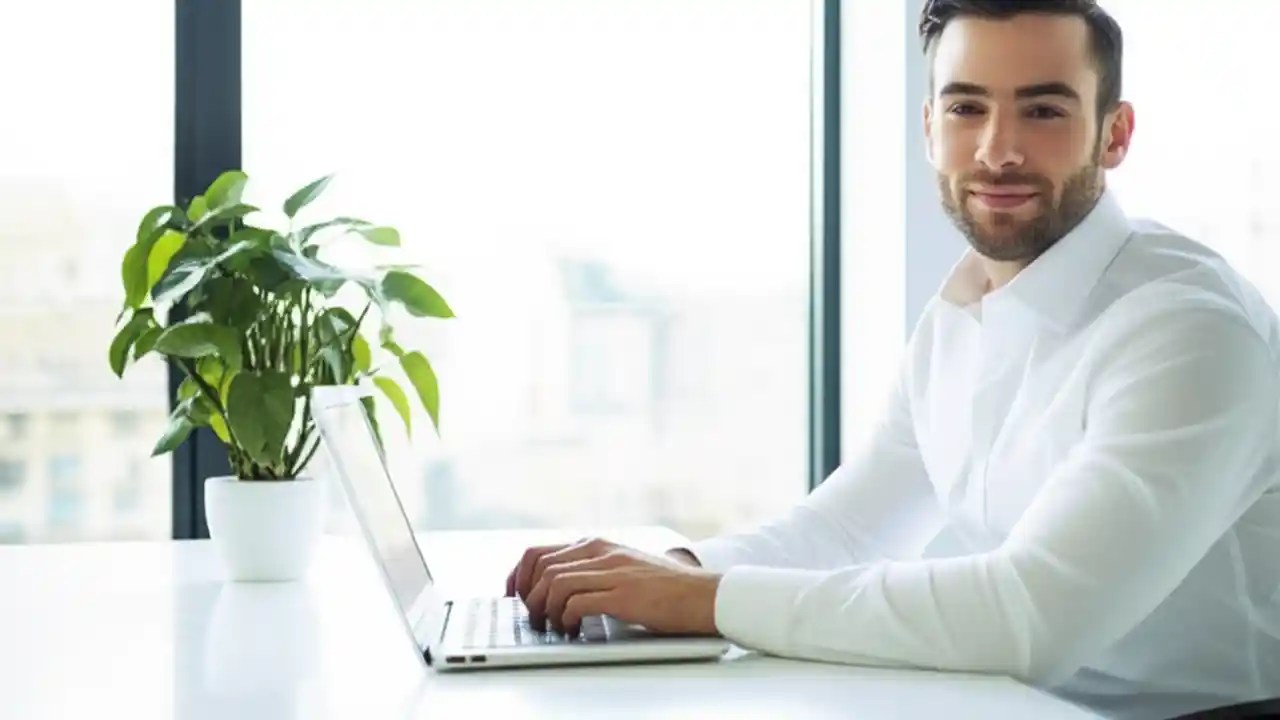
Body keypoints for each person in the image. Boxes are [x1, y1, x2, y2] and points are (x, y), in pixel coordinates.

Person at [505, 1, 1280, 717]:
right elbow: (848, 528)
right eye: (966, 106)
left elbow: (1028, 616)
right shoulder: (960, 315)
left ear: (1114, 134)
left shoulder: (1189, 331)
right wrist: (660, 570)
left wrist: (700, 599)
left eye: (1043, 110)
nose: (998, 149)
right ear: (928, 127)